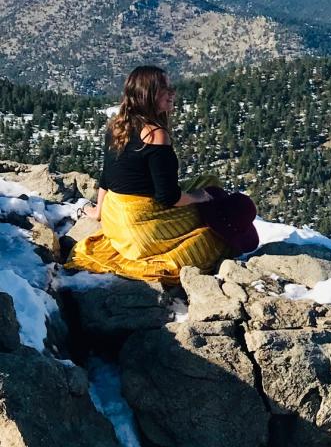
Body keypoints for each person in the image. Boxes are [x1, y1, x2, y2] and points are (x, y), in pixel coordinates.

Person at [67, 64, 258, 284]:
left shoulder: (117, 125)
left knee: (209, 183)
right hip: (142, 227)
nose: (172, 93)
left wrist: (99, 211)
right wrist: (199, 197)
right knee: (212, 230)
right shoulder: (156, 135)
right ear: (147, 95)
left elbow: (107, 176)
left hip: (114, 215)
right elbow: (168, 198)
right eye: (165, 89)